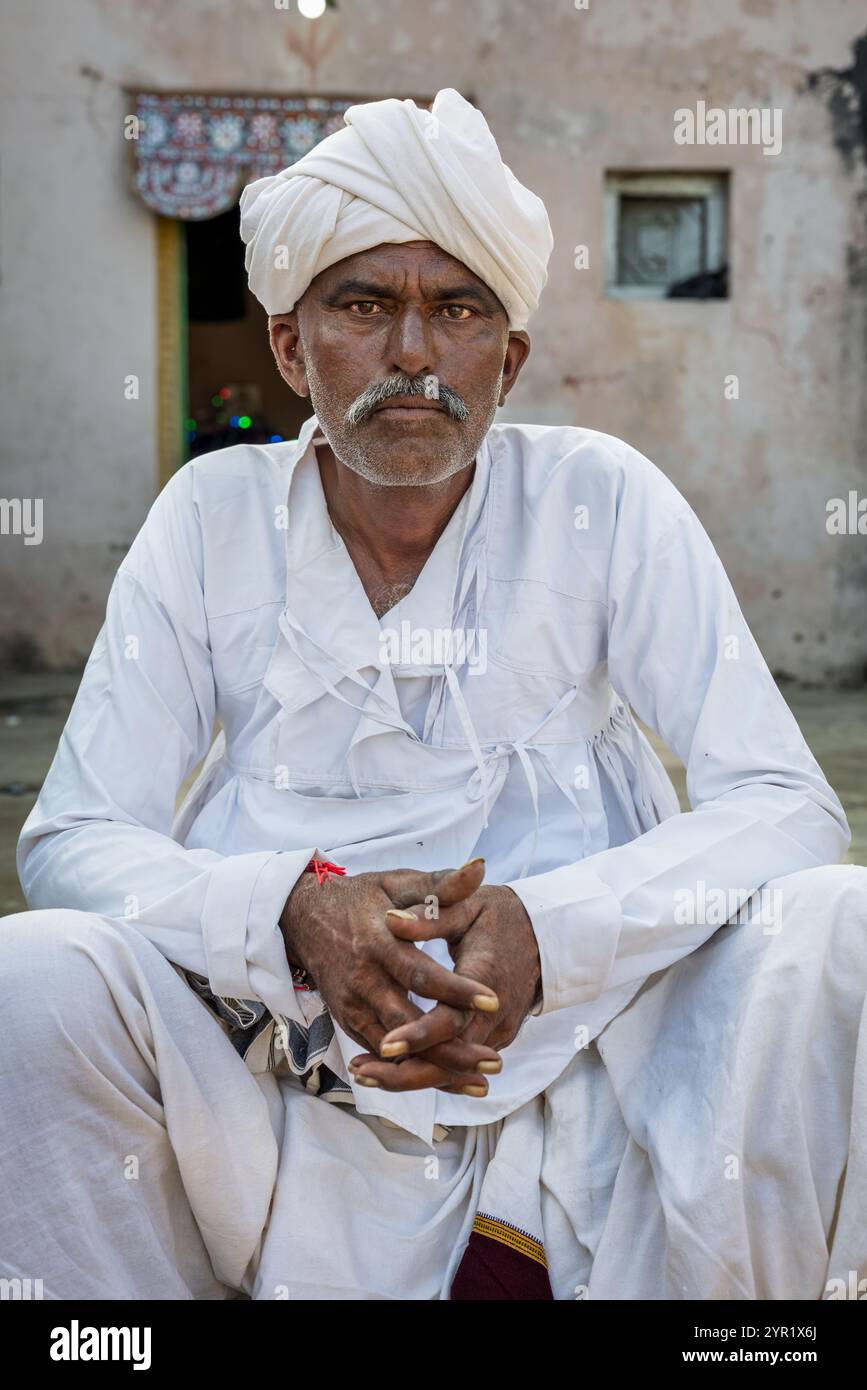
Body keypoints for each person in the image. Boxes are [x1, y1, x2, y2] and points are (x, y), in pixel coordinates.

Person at [3, 88, 866, 1301]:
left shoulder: (602, 497)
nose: (413, 353)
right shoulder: (208, 519)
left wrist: (548, 934)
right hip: (278, 1061)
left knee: (846, 936)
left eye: (457, 309)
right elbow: (74, 837)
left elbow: (785, 801)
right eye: (365, 305)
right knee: (32, 979)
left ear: (507, 361)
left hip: (598, 1040)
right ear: (292, 346)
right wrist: (289, 912)